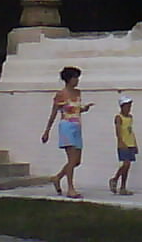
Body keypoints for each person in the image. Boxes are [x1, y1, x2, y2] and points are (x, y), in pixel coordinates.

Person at [40, 65, 91, 198]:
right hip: (66, 127)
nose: (77, 80)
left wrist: (84, 109)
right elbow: (53, 113)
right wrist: (47, 131)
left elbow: (76, 109)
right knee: (72, 158)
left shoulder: (78, 93)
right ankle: (70, 188)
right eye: (75, 77)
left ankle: (57, 178)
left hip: (77, 127)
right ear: (68, 79)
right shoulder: (61, 94)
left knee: (77, 161)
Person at [109, 94, 137, 195]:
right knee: (126, 164)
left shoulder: (130, 117)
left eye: (130, 106)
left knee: (127, 166)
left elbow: (131, 131)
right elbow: (118, 131)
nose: (129, 108)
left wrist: (135, 143)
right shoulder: (119, 117)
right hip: (123, 144)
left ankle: (123, 187)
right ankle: (115, 179)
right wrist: (121, 141)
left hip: (130, 143)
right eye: (127, 106)